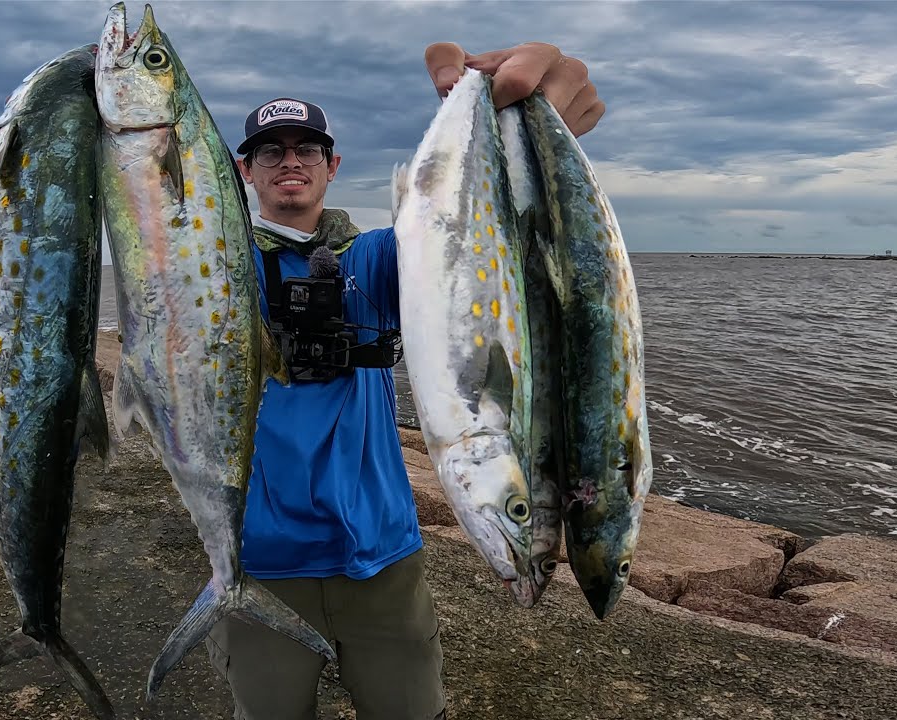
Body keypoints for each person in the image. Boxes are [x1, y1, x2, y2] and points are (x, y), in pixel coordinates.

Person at [204, 42, 606, 720]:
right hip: (259, 559)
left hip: (381, 552)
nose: (290, 162)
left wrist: (533, 134)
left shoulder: (387, 255)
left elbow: (474, 242)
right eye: (271, 151)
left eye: (308, 148)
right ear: (245, 170)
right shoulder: (213, 268)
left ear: (334, 165)